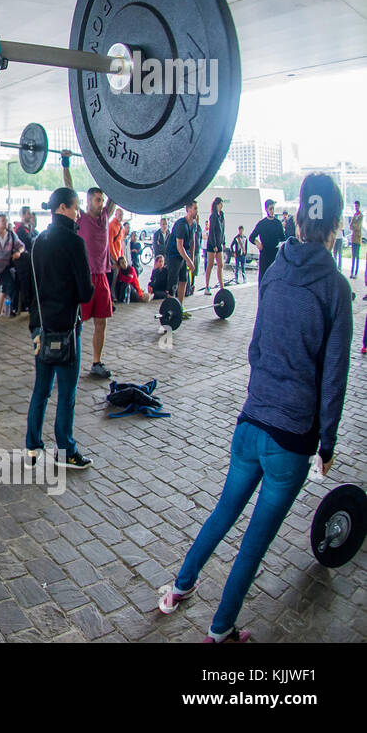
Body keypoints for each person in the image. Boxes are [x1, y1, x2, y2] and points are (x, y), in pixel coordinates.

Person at [158, 174, 350, 642]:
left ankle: (177, 589)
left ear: (299, 215)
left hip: (250, 423)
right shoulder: (336, 288)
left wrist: (263, 395)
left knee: (223, 511)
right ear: (337, 223)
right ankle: (221, 630)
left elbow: (257, 347)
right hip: (290, 440)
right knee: (254, 544)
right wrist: (327, 442)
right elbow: (333, 378)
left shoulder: (275, 269)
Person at [25, 185, 95, 470]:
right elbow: (86, 293)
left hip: (41, 328)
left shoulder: (39, 240)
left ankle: (32, 447)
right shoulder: (75, 243)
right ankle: (66, 450)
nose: (78, 213)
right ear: (63, 208)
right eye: (76, 207)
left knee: (41, 389)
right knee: (67, 392)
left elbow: (30, 287)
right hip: (66, 328)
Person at [61, 154, 116, 378]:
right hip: (84, 277)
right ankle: (67, 359)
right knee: (76, 324)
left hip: (102, 276)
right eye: (97, 200)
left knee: (101, 323)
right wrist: (66, 163)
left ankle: (96, 362)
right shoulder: (81, 217)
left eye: (101, 200)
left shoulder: (105, 217)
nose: (101, 202)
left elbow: (117, 191)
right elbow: (69, 187)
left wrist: (116, 167)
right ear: (88, 201)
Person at [248, 199, 286, 290]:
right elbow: (251, 237)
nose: (272, 211)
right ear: (266, 210)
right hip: (264, 254)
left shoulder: (278, 223)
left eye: (273, 209)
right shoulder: (261, 223)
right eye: (270, 209)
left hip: (275, 254)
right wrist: (257, 243)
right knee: (263, 279)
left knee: (275, 278)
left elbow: (283, 238)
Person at [13, 208, 36, 318]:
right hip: (23, 262)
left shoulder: (31, 228)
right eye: (27, 213)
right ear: (22, 215)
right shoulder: (20, 230)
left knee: (32, 283)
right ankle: (25, 306)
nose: (30, 215)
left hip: (31, 260)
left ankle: (31, 305)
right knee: (25, 284)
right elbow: (26, 243)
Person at [203, 197, 226, 293]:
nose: (222, 205)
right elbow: (211, 231)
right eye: (221, 203)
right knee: (210, 264)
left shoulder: (222, 215)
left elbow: (223, 230)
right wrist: (214, 245)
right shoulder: (213, 216)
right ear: (217, 204)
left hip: (219, 243)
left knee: (220, 265)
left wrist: (223, 242)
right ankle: (207, 286)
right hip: (212, 244)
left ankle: (222, 287)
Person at [350, 200, 362, 279]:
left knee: (357, 256)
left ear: (359, 206)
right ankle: (352, 272)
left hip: (357, 238)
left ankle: (356, 272)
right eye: (355, 206)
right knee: (353, 256)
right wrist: (354, 225)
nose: (356, 207)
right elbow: (351, 226)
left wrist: (354, 225)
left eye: (356, 206)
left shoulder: (361, 216)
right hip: (353, 237)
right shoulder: (354, 215)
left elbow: (357, 227)